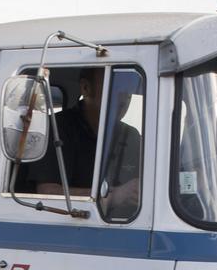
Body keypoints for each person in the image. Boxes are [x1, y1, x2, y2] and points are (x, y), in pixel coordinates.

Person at [15, 67, 141, 219]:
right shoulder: (54, 128)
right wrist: (114, 196)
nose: (125, 96)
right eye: (115, 86)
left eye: (128, 88)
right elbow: (47, 192)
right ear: (86, 88)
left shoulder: (131, 136)